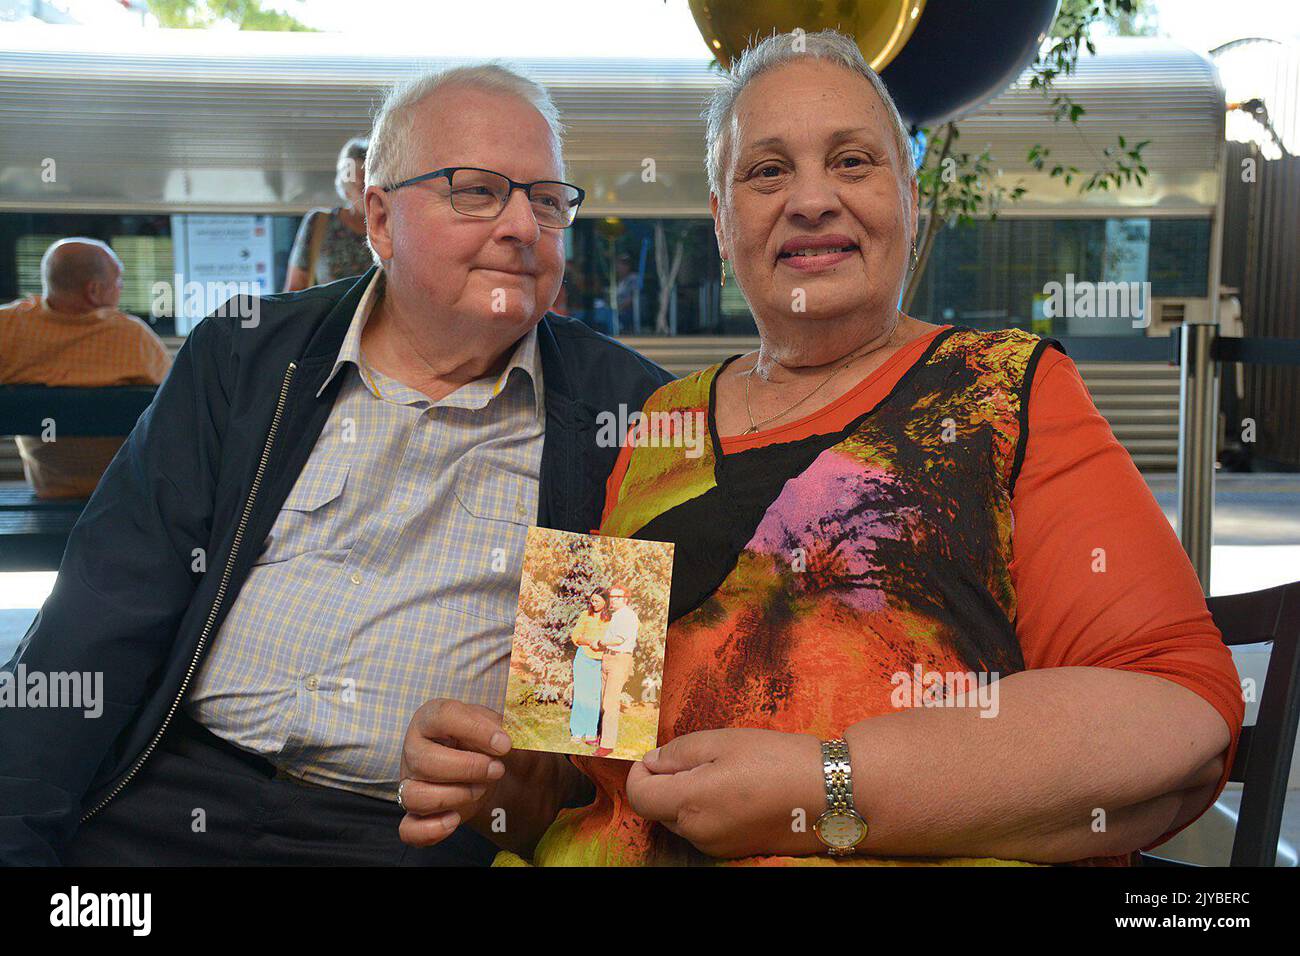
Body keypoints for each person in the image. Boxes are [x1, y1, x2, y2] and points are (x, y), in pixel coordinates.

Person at [401, 31, 1242, 868]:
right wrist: (498, 789)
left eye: (851, 162)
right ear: (723, 223)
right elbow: (576, 751)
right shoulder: (654, 423)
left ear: (908, 197)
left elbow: (1179, 710)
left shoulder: (1009, 390)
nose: (811, 199)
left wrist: (828, 791)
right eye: (767, 171)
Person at [0, 63, 671, 867]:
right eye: (478, 191)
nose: (524, 226)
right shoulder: (246, 357)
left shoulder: (619, 417)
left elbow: (588, 733)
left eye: (547, 199)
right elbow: (97, 619)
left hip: (405, 840)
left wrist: (507, 800)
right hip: (163, 800)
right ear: (381, 219)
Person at [0, 238, 171, 498]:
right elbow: (174, 408)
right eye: (118, 281)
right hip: (122, 494)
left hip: (49, 490)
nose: (121, 288)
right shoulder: (134, 338)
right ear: (93, 290)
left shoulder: (8, 328)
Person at [283, 136, 374, 290]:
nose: (364, 193)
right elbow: (295, 288)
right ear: (345, 188)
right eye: (357, 185)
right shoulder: (320, 223)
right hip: (333, 314)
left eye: (368, 183)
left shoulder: (393, 227)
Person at [592, 585, 640, 756]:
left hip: (619, 660)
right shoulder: (617, 615)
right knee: (604, 700)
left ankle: (607, 745)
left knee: (610, 703)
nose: (613, 600)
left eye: (617, 597)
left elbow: (619, 639)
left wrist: (599, 643)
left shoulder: (628, 615)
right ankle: (601, 735)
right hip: (608, 658)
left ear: (625, 599)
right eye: (611, 597)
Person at [569, 588, 610, 746]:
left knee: (594, 696)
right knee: (581, 694)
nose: (593, 604)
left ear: (605, 602)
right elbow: (576, 636)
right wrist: (589, 642)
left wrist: (601, 643)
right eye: (592, 600)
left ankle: (591, 733)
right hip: (583, 658)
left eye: (597, 601)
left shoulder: (611, 619)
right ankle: (577, 732)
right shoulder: (585, 615)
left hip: (599, 660)